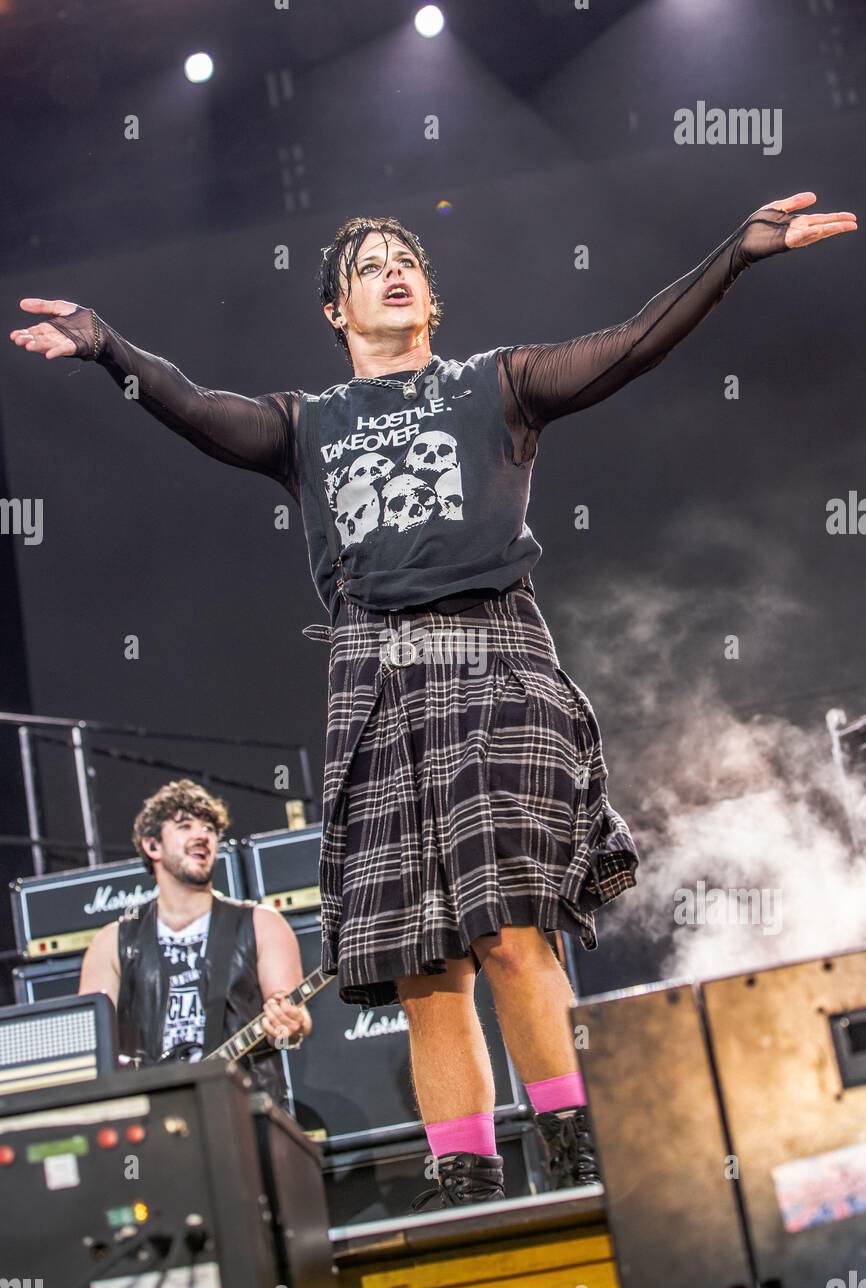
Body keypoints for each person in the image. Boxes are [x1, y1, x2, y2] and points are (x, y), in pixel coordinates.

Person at [12, 190, 856, 1206]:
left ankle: (577, 1154)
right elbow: (193, 405)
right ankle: (463, 1178)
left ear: (428, 297)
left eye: (404, 256)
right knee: (423, 965)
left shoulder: (495, 386)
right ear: (335, 309)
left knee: (505, 928)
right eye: (366, 263)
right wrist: (109, 347)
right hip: (371, 684)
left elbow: (631, 342)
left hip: (494, 662)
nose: (391, 268)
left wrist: (736, 253)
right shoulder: (305, 425)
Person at [78, 779, 312, 1108]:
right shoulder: (111, 944)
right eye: (185, 826)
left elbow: (290, 1021)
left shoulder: (262, 924)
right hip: (155, 1120)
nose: (202, 834)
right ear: (152, 846)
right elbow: (95, 1048)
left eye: (209, 827)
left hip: (247, 1111)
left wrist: (291, 1025)